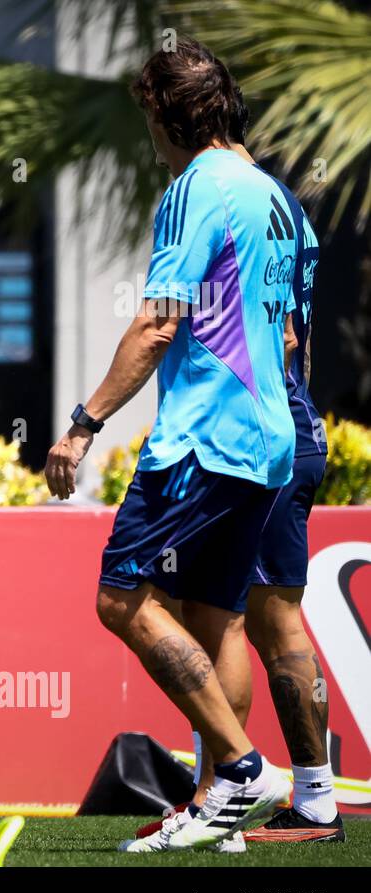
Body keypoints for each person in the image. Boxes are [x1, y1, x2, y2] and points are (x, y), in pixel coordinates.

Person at [45, 37, 295, 851]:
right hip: (271, 436)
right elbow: (289, 332)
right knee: (215, 617)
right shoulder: (273, 194)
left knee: (119, 596)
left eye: (150, 116)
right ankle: (216, 803)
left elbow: (158, 324)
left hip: (204, 438)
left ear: (168, 113)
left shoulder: (195, 189)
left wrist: (84, 423)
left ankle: (242, 768)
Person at [134, 80, 344, 844]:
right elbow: (296, 334)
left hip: (246, 432)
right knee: (268, 615)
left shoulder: (212, 193)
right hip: (294, 423)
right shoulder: (284, 203)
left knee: (214, 616)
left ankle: (224, 795)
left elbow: (259, 335)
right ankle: (306, 798)